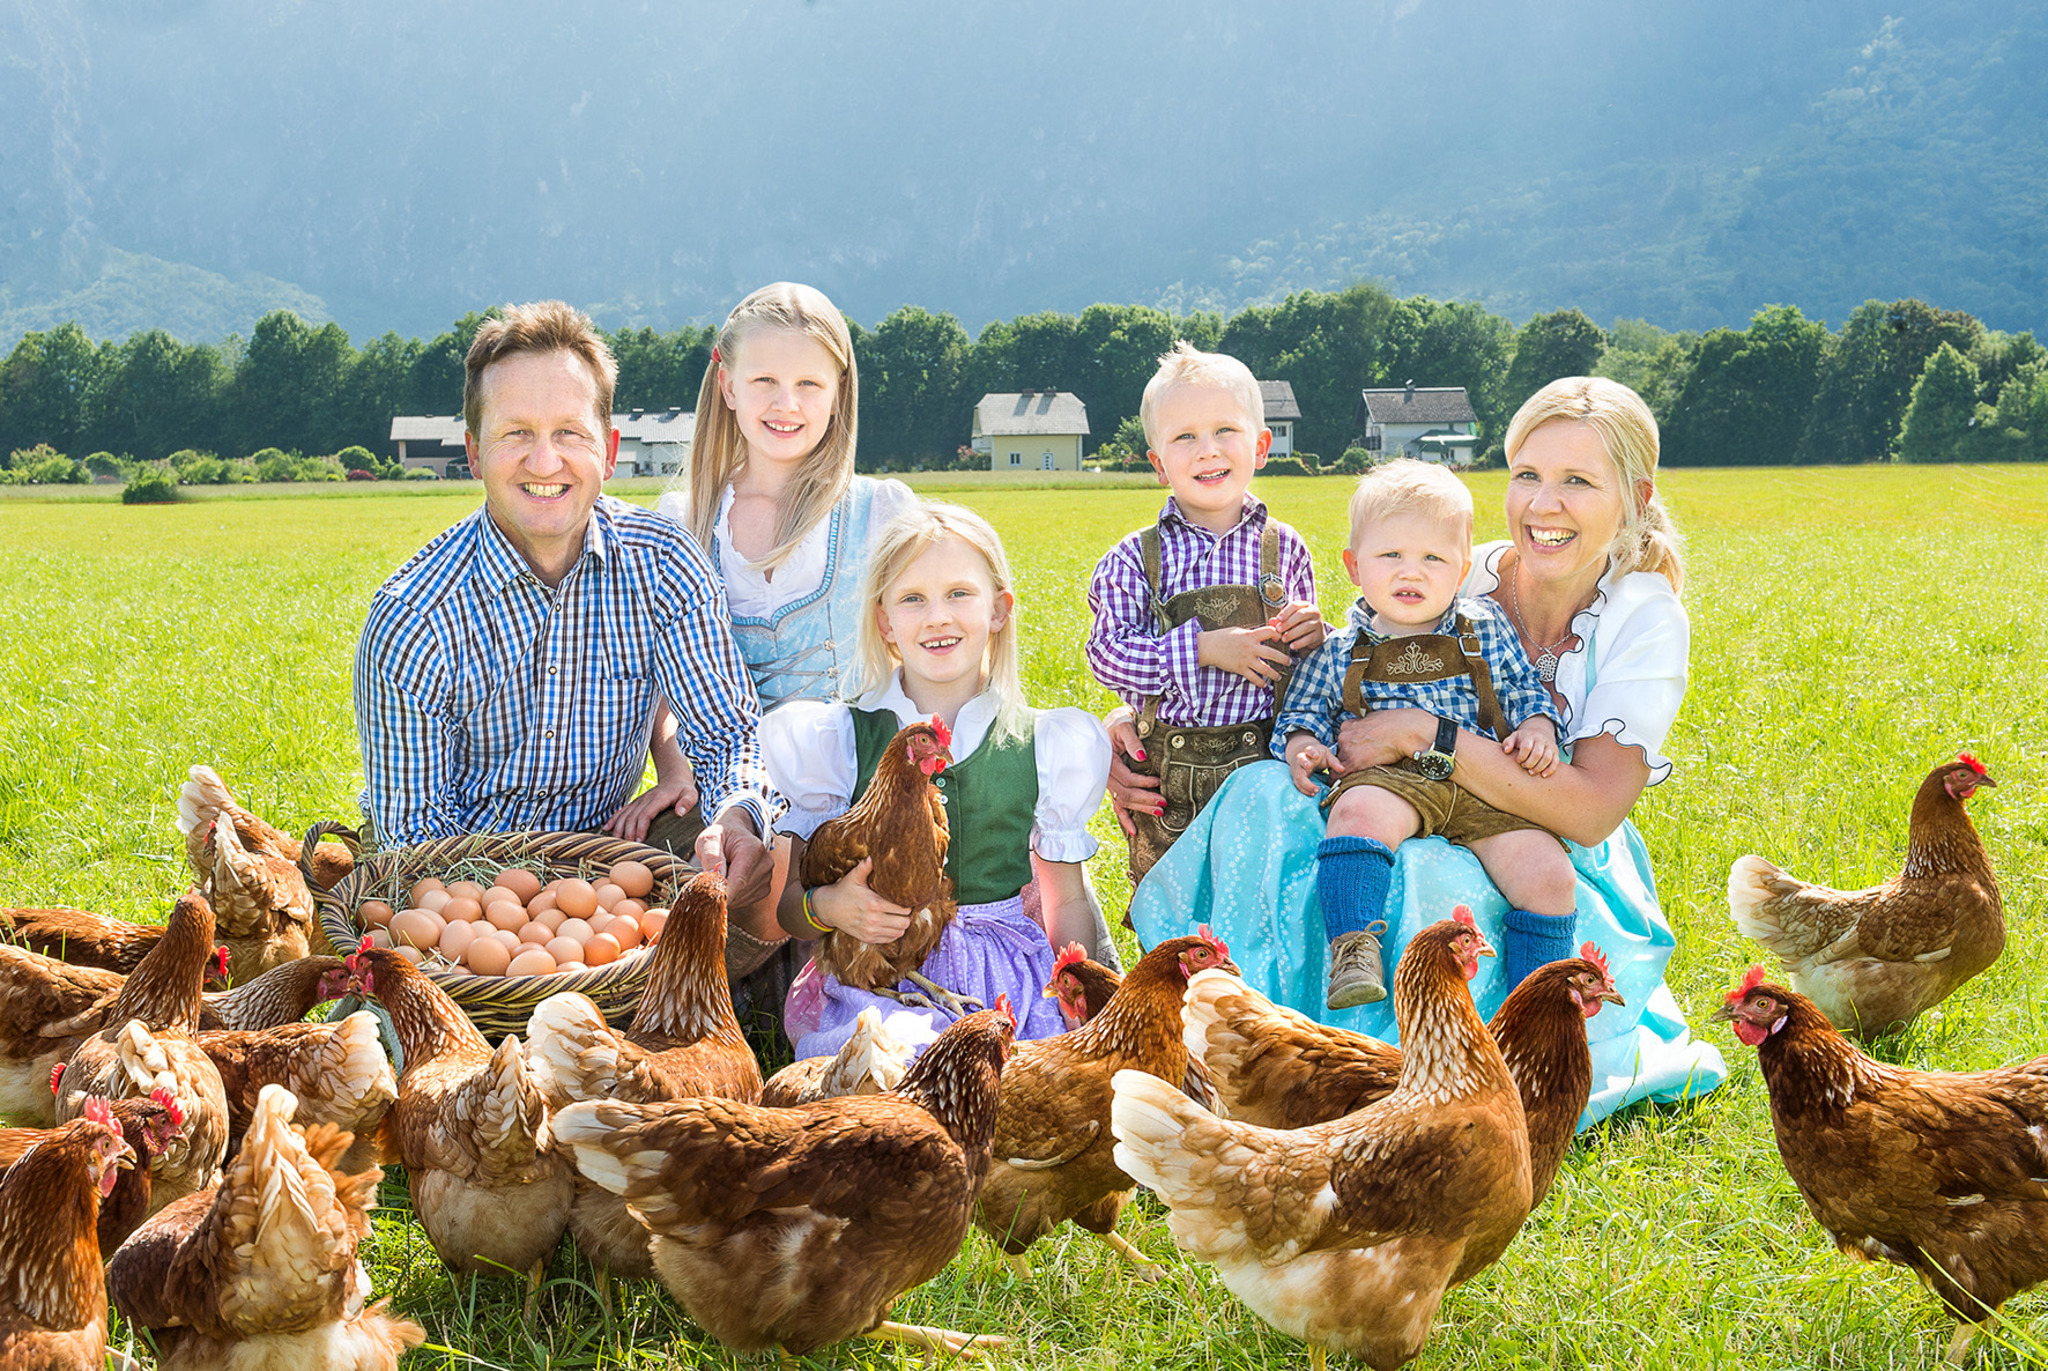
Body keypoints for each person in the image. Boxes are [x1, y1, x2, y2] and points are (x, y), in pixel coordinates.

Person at [1125, 376, 1727, 1125]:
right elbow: (1333, 665)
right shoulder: (1460, 568)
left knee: (1434, 876)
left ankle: (1518, 1035)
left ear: (1633, 496)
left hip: (1545, 822)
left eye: (1578, 481)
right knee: (1266, 796)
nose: (1545, 504)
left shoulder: (1643, 614)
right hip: (1398, 792)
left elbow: (1592, 811)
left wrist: (1427, 732)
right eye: (1528, 475)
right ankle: (1276, 1030)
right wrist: (1134, 727)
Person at [354, 299, 776, 906]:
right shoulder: (415, 617)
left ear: (608, 449)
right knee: (415, 971)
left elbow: (726, 733)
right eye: (516, 433)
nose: (545, 461)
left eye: (569, 433)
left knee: (764, 859)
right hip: (465, 884)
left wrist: (735, 815)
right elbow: (415, 842)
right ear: (475, 452)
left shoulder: (663, 565)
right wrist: (526, 922)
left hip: (613, 846)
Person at [604, 282, 918, 990]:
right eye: (765, 380)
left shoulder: (880, 511)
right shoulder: (683, 516)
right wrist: (674, 764)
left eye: (810, 383)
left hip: (851, 795)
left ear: (839, 392)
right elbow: (661, 677)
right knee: (638, 880)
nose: (788, 403)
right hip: (727, 792)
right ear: (727, 384)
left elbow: (934, 658)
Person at [763, 502, 1110, 1059]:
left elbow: (1064, 898)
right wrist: (830, 906)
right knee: (894, 1060)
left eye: (959, 594)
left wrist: (1077, 990)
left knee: (1022, 1083)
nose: (937, 617)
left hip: (1004, 975)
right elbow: (789, 908)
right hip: (883, 973)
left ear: (998, 610)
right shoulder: (837, 739)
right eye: (912, 599)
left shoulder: (1043, 743)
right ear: (885, 621)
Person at [1279, 459, 1572, 1011]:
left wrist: (1536, 726)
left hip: (1483, 779)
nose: (1410, 573)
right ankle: (1354, 948)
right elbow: (1304, 714)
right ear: (1353, 565)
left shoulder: (1483, 628)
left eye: (1433, 558)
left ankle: (1538, 1006)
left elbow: (1524, 689)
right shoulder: (1338, 649)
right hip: (1392, 784)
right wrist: (1303, 747)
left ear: (1461, 572)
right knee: (1357, 814)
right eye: (1391, 555)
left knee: (1548, 872)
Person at [1084, 341, 1322, 887]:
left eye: (1225, 431)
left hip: (1266, 763)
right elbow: (1107, 656)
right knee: (1173, 917)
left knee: (1262, 905)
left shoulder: (1285, 550)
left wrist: (1316, 637)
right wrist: (1199, 649)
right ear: (1159, 463)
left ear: (1261, 446)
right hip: (1169, 777)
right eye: (1184, 437)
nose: (1207, 450)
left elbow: (1307, 677)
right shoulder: (1135, 558)